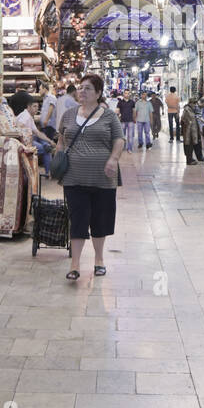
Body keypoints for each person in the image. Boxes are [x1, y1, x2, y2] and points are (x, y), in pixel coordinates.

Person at [56, 74, 125, 280]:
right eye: (80, 88)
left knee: (100, 219)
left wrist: (113, 159)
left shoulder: (109, 116)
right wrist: (57, 158)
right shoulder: (68, 115)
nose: (82, 92)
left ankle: (99, 260)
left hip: (103, 178)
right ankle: (74, 264)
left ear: (98, 93)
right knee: (77, 219)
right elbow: (61, 139)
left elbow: (119, 140)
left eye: (87, 88)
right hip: (73, 178)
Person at [16, 95, 53, 177]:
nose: (36, 108)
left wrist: (49, 140)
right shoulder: (26, 116)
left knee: (44, 141)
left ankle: (49, 172)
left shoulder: (28, 116)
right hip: (24, 142)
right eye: (34, 106)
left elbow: (37, 132)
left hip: (30, 139)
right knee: (47, 149)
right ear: (28, 107)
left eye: (37, 106)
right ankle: (49, 173)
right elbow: (18, 126)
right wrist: (26, 134)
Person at [181, 97, 203, 164]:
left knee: (193, 145)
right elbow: (183, 119)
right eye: (194, 103)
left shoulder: (192, 109)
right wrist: (188, 124)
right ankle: (189, 160)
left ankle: (192, 159)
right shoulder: (187, 109)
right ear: (190, 103)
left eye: (195, 103)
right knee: (189, 146)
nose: (195, 105)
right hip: (188, 131)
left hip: (193, 131)